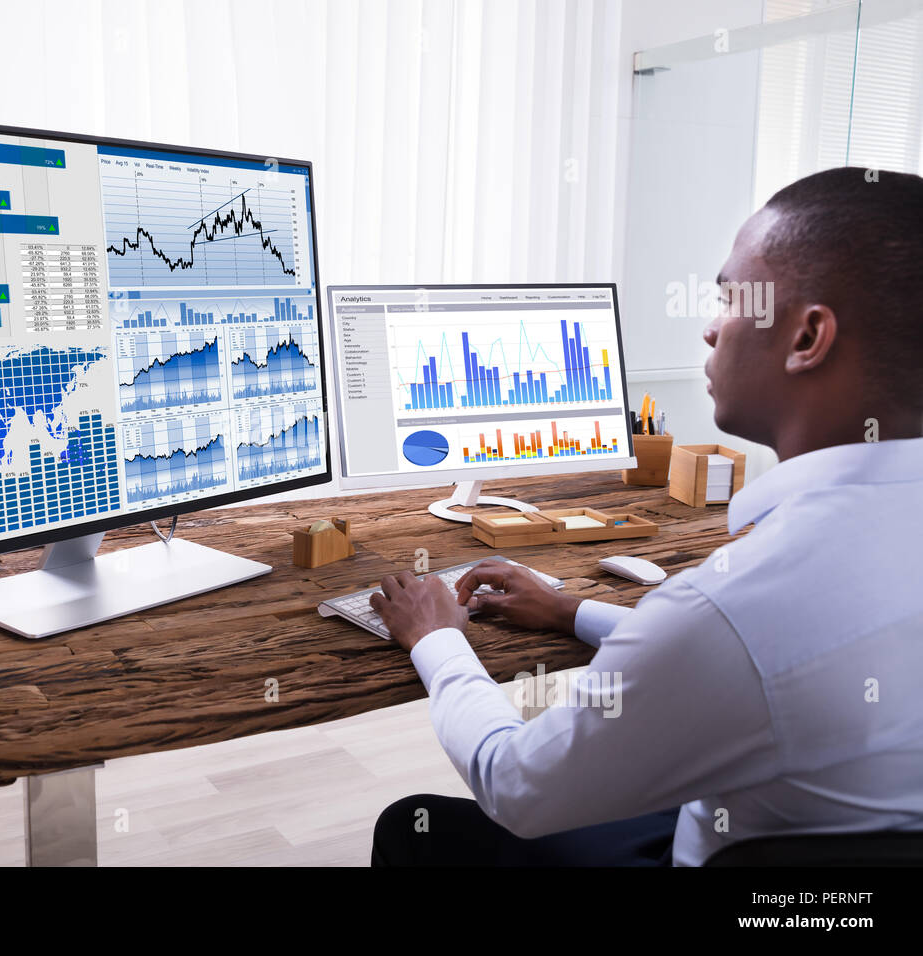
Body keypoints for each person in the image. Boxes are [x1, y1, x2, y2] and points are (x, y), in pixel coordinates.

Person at [369, 167, 923, 866]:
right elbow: (760, 661)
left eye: (728, 300)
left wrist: (435, 638)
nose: (710, 329)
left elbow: (517, 786)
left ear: (808, 337)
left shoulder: (735, 603)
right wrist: (574, 611)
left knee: (413, 826)